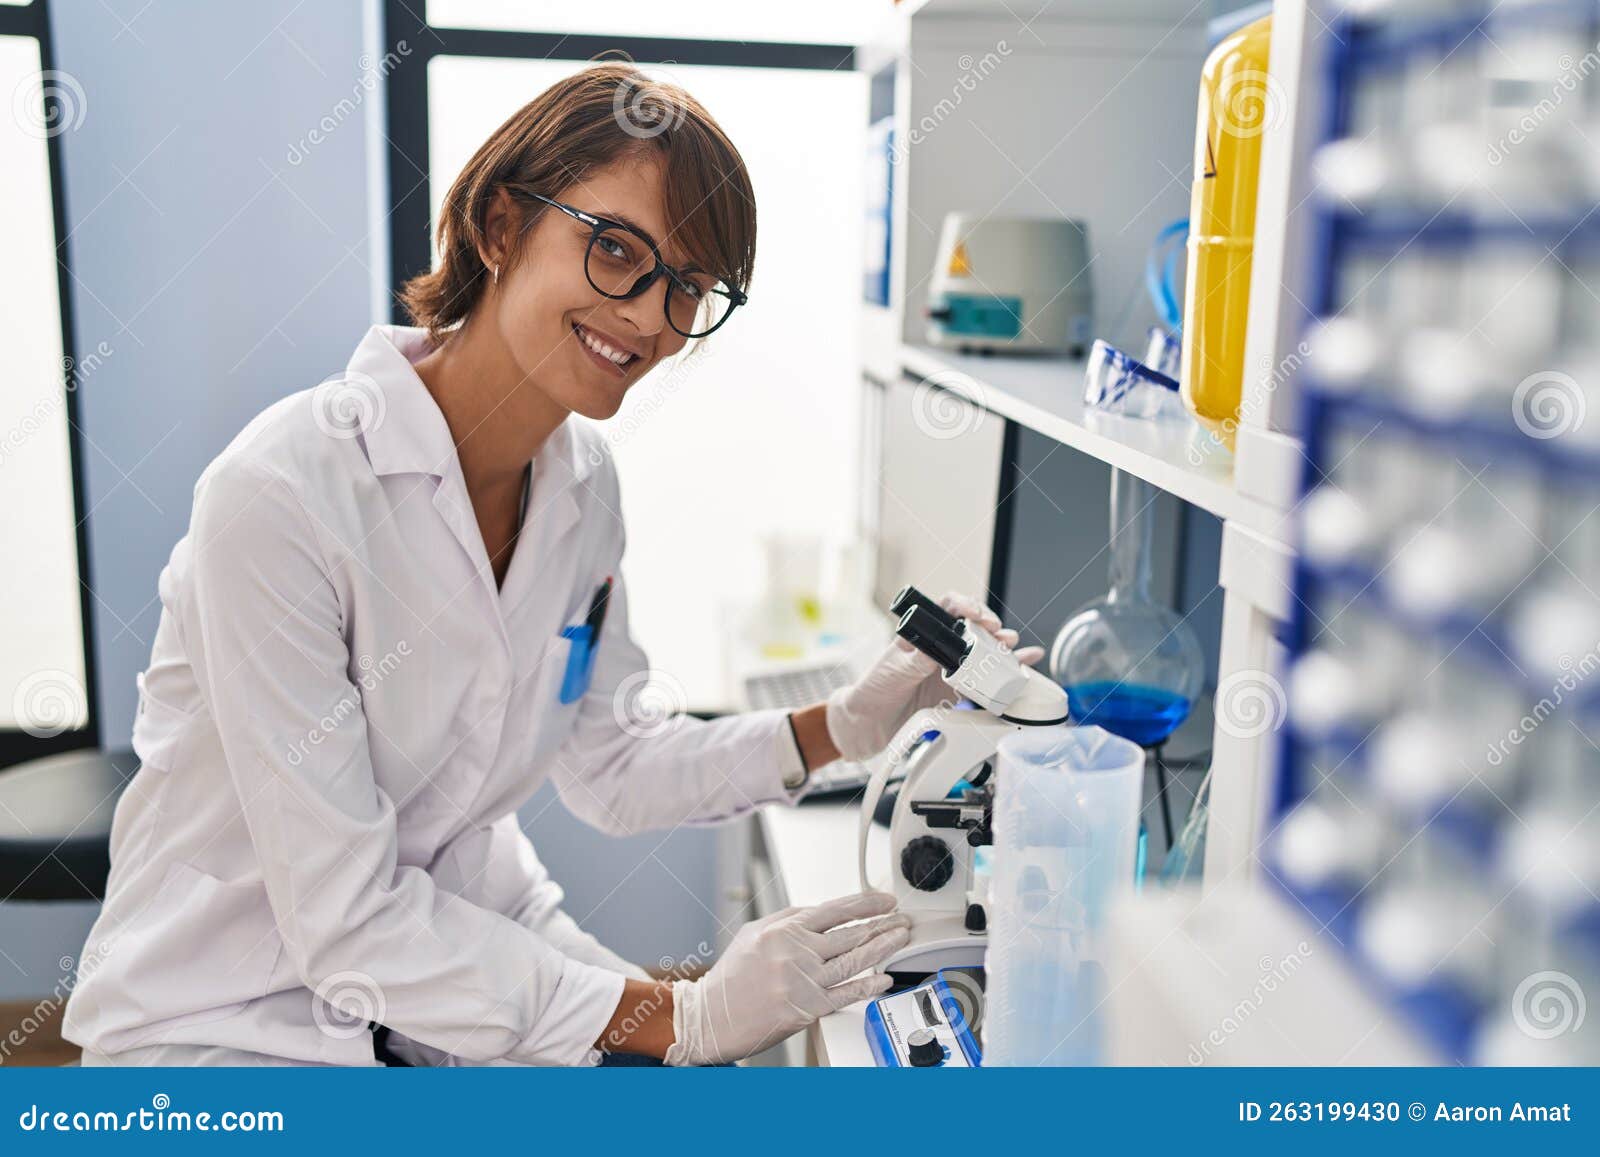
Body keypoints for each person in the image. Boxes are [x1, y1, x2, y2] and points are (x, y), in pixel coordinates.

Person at [64, 63, 1037, 1067]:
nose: (653, 318)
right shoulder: (284, 494)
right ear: (497, 226)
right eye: (617, 250)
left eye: (690, 287)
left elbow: (609, 765)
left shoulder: (579, 488)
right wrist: (678, 1014)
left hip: (455, 974)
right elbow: (347, 920)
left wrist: (840, 724)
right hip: (225, 1034)